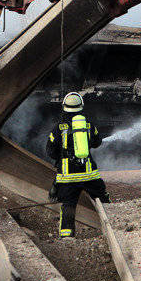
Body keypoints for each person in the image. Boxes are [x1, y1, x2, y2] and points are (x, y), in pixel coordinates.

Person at [46, 91, 109, 237]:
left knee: (68, 205)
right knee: (103, 199)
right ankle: (116, 224)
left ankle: (67, 236)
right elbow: (97, 143)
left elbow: (50, 151)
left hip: (68, 178)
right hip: (89, 175)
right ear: (81, 107)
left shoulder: (58, 128)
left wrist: (63, 156)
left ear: (64, 107)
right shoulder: (88, 125)